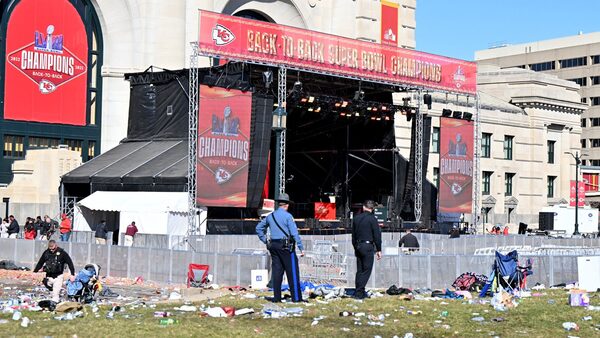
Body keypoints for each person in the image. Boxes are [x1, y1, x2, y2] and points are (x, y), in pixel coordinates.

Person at [256, 193, 305, 303]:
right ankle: (296, 298)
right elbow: (294, 233)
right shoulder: (288, 216)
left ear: (278, 204)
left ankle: (277, 297)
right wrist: (301, 247)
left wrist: (265, 241)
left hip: (273, 246)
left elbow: (259, 228)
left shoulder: (270, 216)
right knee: (292, 272)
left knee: (277, 272)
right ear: (287, 205)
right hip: (286, 247)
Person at [351, 200, 382, 299]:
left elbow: (353, 235)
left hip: (358, 245)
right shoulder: (373, 219)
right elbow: (377, 235)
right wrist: (378, 249)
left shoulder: (356, 218)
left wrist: (355, 247)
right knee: (366, 270)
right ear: (372, 209)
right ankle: (359, 293)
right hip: (368, 246)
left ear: (364, 207)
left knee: (359, 270)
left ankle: (359, 290)